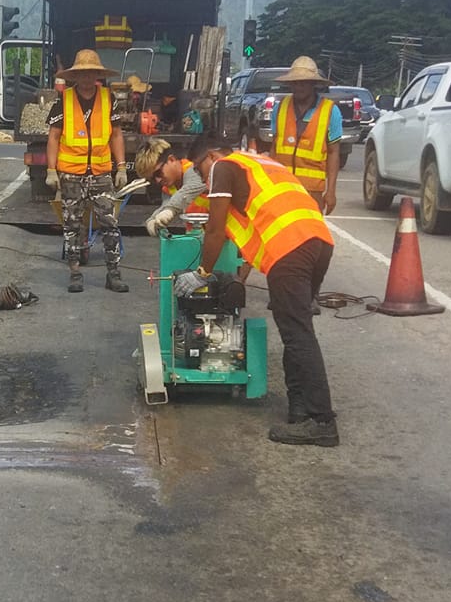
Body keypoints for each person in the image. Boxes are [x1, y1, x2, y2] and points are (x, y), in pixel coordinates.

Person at [181, 140, 340, 446]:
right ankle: (300, 411)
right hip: (318, 241)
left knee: (297, 334)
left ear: (211, 156)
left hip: (289, 245)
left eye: (201, 170)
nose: (204, 181)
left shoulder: (223, 167)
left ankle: (321, 421)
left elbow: (214, 230)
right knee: (297, 329)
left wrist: (201, 274)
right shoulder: (260, 163)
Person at [46, 49, 129, 293]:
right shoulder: (63, 100)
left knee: (110, 225)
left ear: (97, 75)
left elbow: (116, 134)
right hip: (71, 173)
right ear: (75, 75)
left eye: (91, 72)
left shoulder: (108, 98)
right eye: (82, 73)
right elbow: (53, 137)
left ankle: (113, 274)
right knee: (72, 225)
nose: (86, 77)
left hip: (101, 174)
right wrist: (51, 170)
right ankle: (75, 273)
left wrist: (121, 167)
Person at [269, 55, 343, 213]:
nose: (298, 87)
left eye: (303, 83)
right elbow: (274, 148)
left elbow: (334, 152)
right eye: (295, 83)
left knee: (311, 235)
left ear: (313, 84)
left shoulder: (330, 111)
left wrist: (331, 192)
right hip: (283, 187)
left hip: (312, 190)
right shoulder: (279, 108)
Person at [133, 137, 205, 234]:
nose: (157, 180)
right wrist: (152, 219)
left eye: (158, 173)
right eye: (152, 178)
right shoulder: (169, 189)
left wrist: (171, 210)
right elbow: (166, 205)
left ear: (171, 159)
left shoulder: (195, 169)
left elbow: (188, 189)